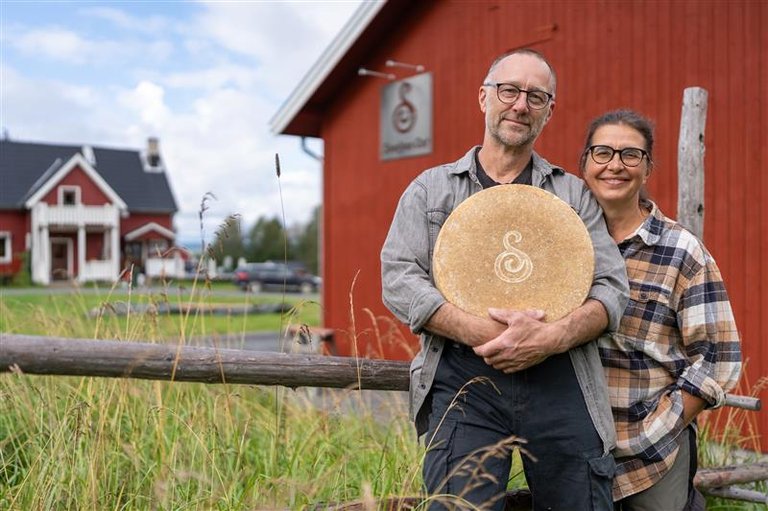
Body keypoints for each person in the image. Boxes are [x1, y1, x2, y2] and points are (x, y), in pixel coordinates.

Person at [381, 49, 629, 510]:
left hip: (562, 376)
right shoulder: (431, 189)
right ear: (484, 97)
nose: (520, 105)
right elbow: (398, 276)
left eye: (536, 96)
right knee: (460, 505)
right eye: (509, 90)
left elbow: (612, 289)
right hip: (464, 380)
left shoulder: (573, 195)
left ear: (549, 111)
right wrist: (478, 330)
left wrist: (550, 337)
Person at [578, 109, 742, 510]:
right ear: (584, 164)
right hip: (574, 444)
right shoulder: (565, 243)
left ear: (647, 168)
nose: (615, 164)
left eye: (630, 154)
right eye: (602, 153)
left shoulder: (681, 251)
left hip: (651, 447)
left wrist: (666, 422)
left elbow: (718, 355)